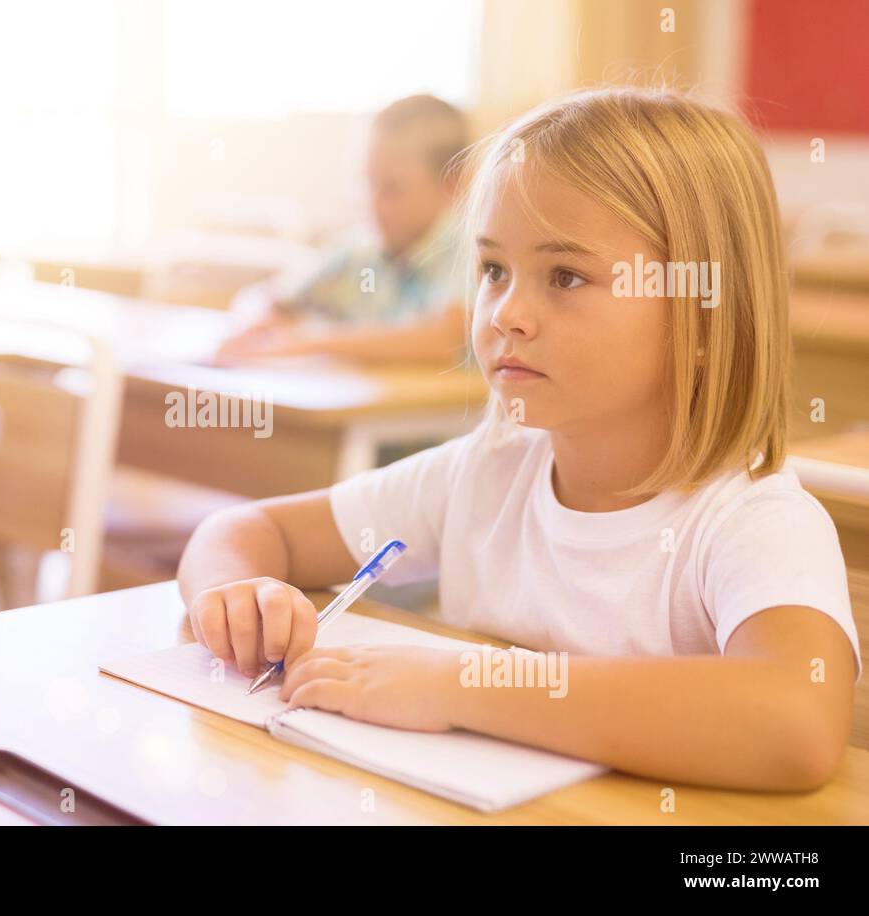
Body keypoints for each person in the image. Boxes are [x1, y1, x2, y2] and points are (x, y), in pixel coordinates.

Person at [178, 88, 860, 790]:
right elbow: (247, 529)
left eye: (565, 276)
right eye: (494, 270)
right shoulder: (489, 473)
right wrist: (237, 597)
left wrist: (461, 687)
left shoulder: (752, 521)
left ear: (704, 320)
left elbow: (794, 721)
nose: (507, 313)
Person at [216, 94, 469, 366]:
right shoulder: (357, 250)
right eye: (368, 183)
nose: (374, 203)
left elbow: (443, 340)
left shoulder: (473, 252)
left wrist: (307, 341)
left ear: (451, 183)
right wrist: (257, 323)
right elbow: (262, 296)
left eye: (393, 188)